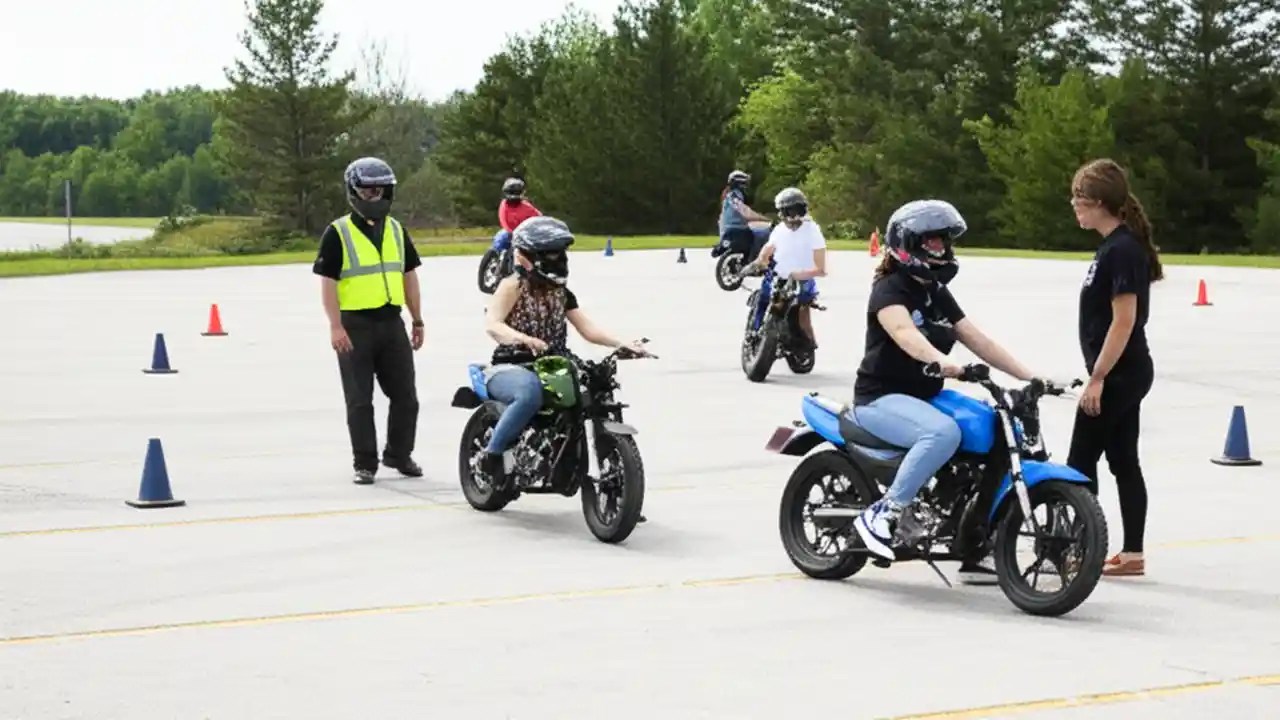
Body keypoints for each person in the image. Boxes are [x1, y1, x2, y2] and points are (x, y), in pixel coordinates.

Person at [849, 199, 1042, 584]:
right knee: (942, 432)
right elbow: (906, 336)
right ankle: (883, 513)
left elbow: (977, 339)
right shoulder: (889, 290)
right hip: (880, 398)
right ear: (909, 244)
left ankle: (975, 542)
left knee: (996, 427)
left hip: (924, 395)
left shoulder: (935, 290)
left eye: (943, 242)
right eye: (932, 241)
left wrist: (1032, 377)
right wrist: (948, 364)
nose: (940, 248)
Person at [480, 215, 651, 494]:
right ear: (528, 256)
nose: (558, 259)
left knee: (599, 387)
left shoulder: (561, 292)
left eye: (561, 253)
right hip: (513, 363)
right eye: (551, 254)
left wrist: (624, 343)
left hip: (556, 362)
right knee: (529, 393)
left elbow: (588, 329)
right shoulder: (512, 285)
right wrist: (523, 339)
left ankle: (625, 483)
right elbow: (493, 324)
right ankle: (493, 456)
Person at [1066, 158, 1161, 578]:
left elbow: (1124, 321)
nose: (1073, 205)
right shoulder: (1114, 246)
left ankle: (1079, 549)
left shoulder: (1121, 250)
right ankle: (1132, 555)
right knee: (1123, 459)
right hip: (1127, 371)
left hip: (1120, 373)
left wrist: (1098, 378)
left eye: (1079, 198)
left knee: (1079, 463)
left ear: (1100, 202)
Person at [313, 156, 425, 485]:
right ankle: (365, 463)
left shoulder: (396, 230)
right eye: (369, 191)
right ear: (354, 193)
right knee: (360, 399)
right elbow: (328, 283)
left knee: (406, 396)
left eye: (381, 190)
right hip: (354, 326)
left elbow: (409, 276)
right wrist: (335, 325)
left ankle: (399, 453)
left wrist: (417, 319)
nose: (376, 197)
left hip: (392, 323)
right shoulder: (338, 232)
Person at [743, 187, 826, 349]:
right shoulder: (779, 230)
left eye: (797, 210)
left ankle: (808, 342)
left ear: (804, 210)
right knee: (762, 298)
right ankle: (753, 332)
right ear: (782, 212)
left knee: (803, 311)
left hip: (801, 279)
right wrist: (756, 264)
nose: (794, 216)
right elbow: (767, 250)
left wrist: (799, 275)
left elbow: (821, 268)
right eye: (789, 211)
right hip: (777, 276)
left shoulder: (813, 231)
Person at [712, 170, 771, 259]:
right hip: (736, 229)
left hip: (730, 230)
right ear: (740, 183)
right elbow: (746, 213)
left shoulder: (730, 195)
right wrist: (765, 218)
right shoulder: (734, 195)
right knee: (762, 235)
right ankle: (755, 261)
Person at [493, 177, 541, 252]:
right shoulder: (504, 204)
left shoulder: (526, 206)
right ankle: (495, 257)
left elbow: (538, 216)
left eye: (517, 192)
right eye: (512, 192)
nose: (514, 195)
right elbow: (503, 220)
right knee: (500, 239)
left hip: (525, 234)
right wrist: (510, 232)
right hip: (509, 232)